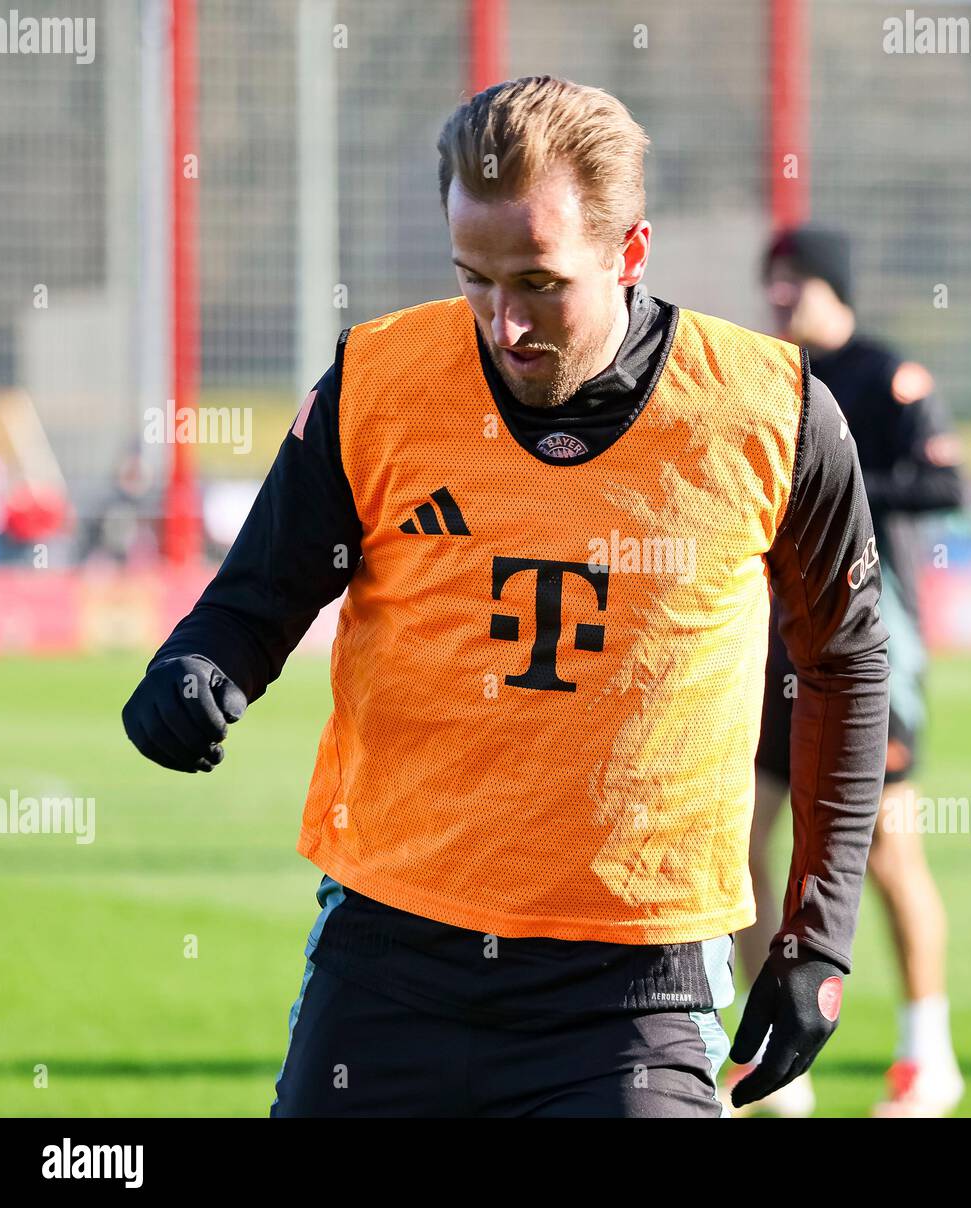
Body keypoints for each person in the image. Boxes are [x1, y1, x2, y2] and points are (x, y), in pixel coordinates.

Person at [121, 77, 890, 1118]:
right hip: (389, 955)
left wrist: (817, 932)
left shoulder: (773, 411)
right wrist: (194, 668)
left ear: (629, 252)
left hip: (635, 989)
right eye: (474, 278)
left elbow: (842, 663)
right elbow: (256, 596)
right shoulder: (379, 380)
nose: (503, 321)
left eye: (538, 281)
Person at [727, 226, 965, 1118]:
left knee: (889, 856)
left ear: (834, 287)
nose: (779, 300)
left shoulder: (885, 375)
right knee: (741, 845)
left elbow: (946, 485)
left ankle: (927, 1056)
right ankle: (769, 1061)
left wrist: (840, 479)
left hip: (871, 648)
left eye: (793, 285)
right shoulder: (766, 380)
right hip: (773, 650)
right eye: (772, 286)